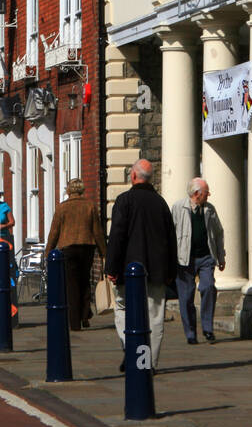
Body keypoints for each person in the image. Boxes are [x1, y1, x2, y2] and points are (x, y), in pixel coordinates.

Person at [106, 159, 177, 371]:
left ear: (133, 176)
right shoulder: (161, 203)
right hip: (157, 271)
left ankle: (133, 352)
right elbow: (171, 239)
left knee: (122, 310)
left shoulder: (124, 200)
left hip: (128, 270)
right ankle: (148, 363)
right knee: (155, 317)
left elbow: (117, 235)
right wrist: (171, 270)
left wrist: (111, 267)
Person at [46, 178, 107, 331]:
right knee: (85, 280)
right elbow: (97, 231)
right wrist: (103, 252)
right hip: (87, 247)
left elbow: (54, 231)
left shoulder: (62, 208)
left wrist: (48, 250)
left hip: (68, 248)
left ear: (68, 191)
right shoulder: (90, 206)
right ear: (82, 190)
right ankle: (85, 315)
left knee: (71, 285)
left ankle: (74, 322)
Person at [172, 178, 225, 344]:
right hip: (184, 259)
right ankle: (190, 333)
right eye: (205, 193)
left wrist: (221, 256)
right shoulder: (178, 207)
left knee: (209, 287)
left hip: (206, 257)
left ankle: (208, 328)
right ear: (196, 194)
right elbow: (170, 233)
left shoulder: (209, 209)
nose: (208, 195)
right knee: (186, 297)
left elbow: (218, 232)